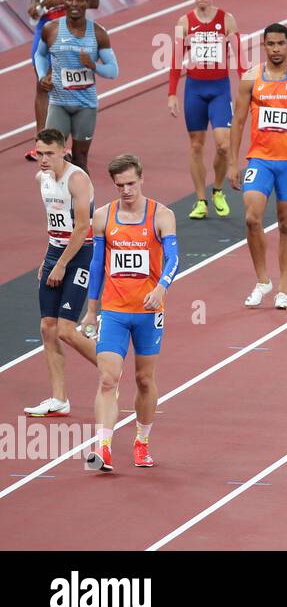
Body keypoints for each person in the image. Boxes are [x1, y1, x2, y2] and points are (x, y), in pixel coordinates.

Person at [80, 154, 179, 472]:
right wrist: (90, 310)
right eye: (119, 185)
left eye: (131, 183)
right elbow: (96, 266)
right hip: (114, 310)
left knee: (145, 380)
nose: (125, 190)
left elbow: (174, 257)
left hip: (149, 311)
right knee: (108, 379)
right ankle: (103, 448)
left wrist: (162, 286)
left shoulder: (162, 215)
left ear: (141, 179)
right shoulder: (103, 217)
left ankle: (142, 441)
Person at [229, 24, 287, 310]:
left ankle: (283, 289)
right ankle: (262, 280)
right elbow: (239, 121)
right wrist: (232, 162)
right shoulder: (251, 79)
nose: (276, 49)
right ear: (264, 46)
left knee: (286, 223)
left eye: (281, 44)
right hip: (260, 159)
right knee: (252, 218)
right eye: (271, 44)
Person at [24, 130, 97, 419]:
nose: (43, 159)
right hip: (57, 252)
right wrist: (48, 258)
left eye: (49, 153)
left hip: (80, 254)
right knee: (47, 328)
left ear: (63, 150)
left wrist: (62, 264)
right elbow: (55, 224)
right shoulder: (41, 179)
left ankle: (110, 370)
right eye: (39, 153)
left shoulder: (77, 179)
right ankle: (59, 399)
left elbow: (81, 228)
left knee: (66, 330)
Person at [167, 0, 245, 220]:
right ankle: (200, 200)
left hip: (220, 89)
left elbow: (240, 57)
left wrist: (245, 85)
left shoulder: (227, 20)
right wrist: (172, 94)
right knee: (196, 145)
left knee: (223, 145)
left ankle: (218, 190)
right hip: (195, 89)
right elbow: (175, 61)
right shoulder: (184, 22)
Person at [27, 0, 97, 162]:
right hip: (44, 30)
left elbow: (94, 0)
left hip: (70, 31)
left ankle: (66, 141)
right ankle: (42, 145)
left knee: (66, 86)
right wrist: (35, 6)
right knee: (42, 84)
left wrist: (65, 0)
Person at [34, 0, 118, 172]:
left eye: (79, 0)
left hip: (85, 106)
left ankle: (84, 201)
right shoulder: (51, 29)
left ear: (86, 3)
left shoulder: (98, 33)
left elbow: (113, 71)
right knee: (51, 156)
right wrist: (42, 76)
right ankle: (57, 201)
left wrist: (93, 65)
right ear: (64, 2)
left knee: (80, 160)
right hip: (59, 103)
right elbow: (39, 56)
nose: (74, 4)